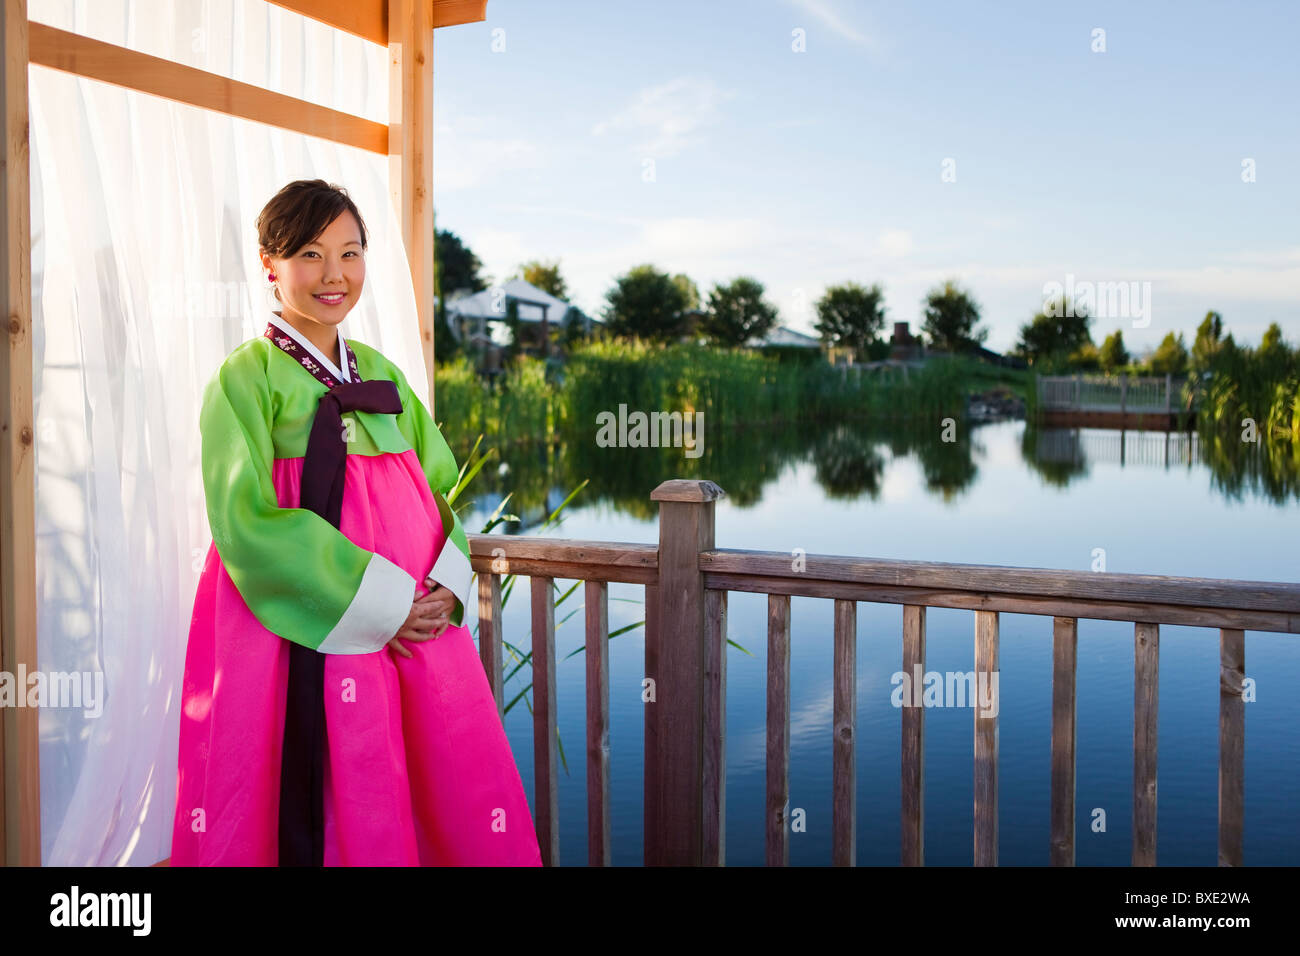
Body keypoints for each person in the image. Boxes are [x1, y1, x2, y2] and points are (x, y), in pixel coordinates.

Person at [171, 179, 542, 867]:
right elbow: (246, 523)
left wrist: (441, 589)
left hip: (418, 625)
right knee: (328, 775)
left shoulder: (381, 375)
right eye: (309, 255)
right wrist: (379, 603)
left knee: (445, 775)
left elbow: (439, 490)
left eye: (350, 252)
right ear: (269, 264)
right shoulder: (244, 380)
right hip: (302, 620)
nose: (334, 275)